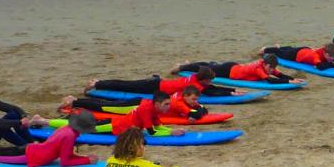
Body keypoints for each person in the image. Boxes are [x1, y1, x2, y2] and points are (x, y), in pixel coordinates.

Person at [0, 111, 97, 167]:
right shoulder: (70, 136)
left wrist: (83, 157)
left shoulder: (67, 130)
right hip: (28, 156)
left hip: (30, 150)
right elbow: (65, 162)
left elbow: (66, 155)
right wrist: (86, 160)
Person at [63, 86, 209, 122]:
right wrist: (200, 111)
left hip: (141, 101)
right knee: (106, 107)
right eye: (194, 99)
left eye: (196, 100)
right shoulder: (178, 103)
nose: (196, 102)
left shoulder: (181, 98)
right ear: (185, 96)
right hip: (136, 107)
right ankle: (73, 102)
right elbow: (194, 114)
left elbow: (198, 110)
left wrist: (199, 108)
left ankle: (75, 100)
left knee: (108, 104)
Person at [89, 66, 237, 98]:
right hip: (154, 87)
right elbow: (213, 92)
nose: (211, 81)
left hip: (159, 82)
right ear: (204, 79)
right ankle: (98, 83)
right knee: (127, 85)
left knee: (128, 84)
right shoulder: (195, 85)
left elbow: (212, 87)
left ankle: (98, 82)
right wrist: (230, 94)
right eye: (210, 79)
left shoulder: (195, 78)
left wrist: (231, 90)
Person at [173, 57, 306, 85]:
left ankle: (188, 64)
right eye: (270, 67)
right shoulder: (258, 68)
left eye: (272, 68)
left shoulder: (267, 67)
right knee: (204, 67)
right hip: (228, 71)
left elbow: (279, 74)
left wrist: (292, 79)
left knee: (211, 64)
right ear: (265, 64)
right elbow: (270, 80)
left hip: (234, 66)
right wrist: (289, 81)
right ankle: (181, 67)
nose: (272, 70)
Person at [258, 42, 334, 70]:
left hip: (306, 49)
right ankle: (264, 49)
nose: (332, 59)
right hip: (297, 55)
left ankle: (280, 47)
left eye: (333, 57)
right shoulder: (315, 56)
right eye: (330, 58)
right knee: (280, 53)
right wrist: (333, 64)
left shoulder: (332, 53)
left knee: (289, 48)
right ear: (325, 53)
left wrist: (331, 63)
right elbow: (321, 67)